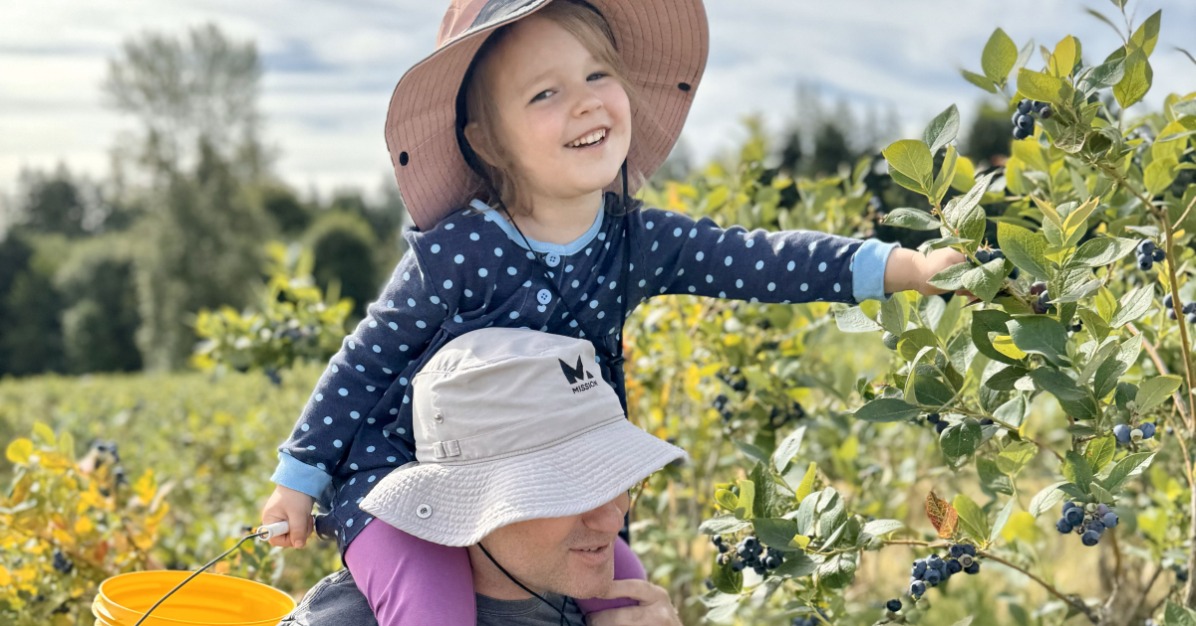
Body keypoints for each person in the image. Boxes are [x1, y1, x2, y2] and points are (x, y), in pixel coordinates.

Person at [261, 0, 967, 623]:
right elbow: (365, 361)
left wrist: (902, 268)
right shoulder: (459, 251)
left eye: (599, 75)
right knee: (435, 613)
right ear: (486, 139)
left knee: (631, 603)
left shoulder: (635, 239)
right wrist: (300, 480)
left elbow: (761, 260)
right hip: (405, 475)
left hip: (557, 485)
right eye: (545, 92)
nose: (586, 102)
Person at [282, 327, 687, 626]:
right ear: (471, 500)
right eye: (572, 489)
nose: (614, 519)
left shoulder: (615, 610)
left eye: (618, 477)